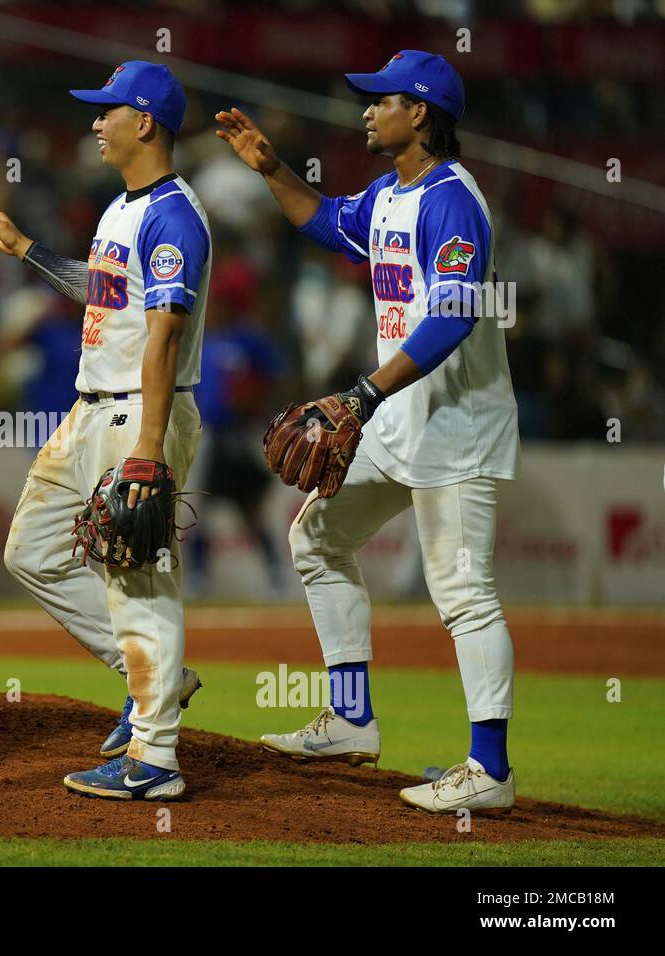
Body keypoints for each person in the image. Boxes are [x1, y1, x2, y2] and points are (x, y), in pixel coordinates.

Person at [216, 50, 520, 814]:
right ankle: (351, 718)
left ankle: (491, 771)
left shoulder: (452, 200)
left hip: (458, 423)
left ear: (419, 113)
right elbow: (324, 221)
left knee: (464, 594)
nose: (365, 109)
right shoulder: (390, 194)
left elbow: (451, 315)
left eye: (380, 99)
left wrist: (360, 393)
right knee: (315, 539)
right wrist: (271, 168)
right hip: (395, 417)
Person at [0, 61, 210, 799]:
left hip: (139, 410)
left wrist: (145, 449)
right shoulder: (122, 209)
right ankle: (156, 686)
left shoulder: (174, 215)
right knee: (32, 551)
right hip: (88, 407)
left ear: (146, 123)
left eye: (108, 112)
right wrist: (27, 250)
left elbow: (164, 335)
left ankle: (155, 759)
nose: (95, 123)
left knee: (140, 582)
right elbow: (103, 290)